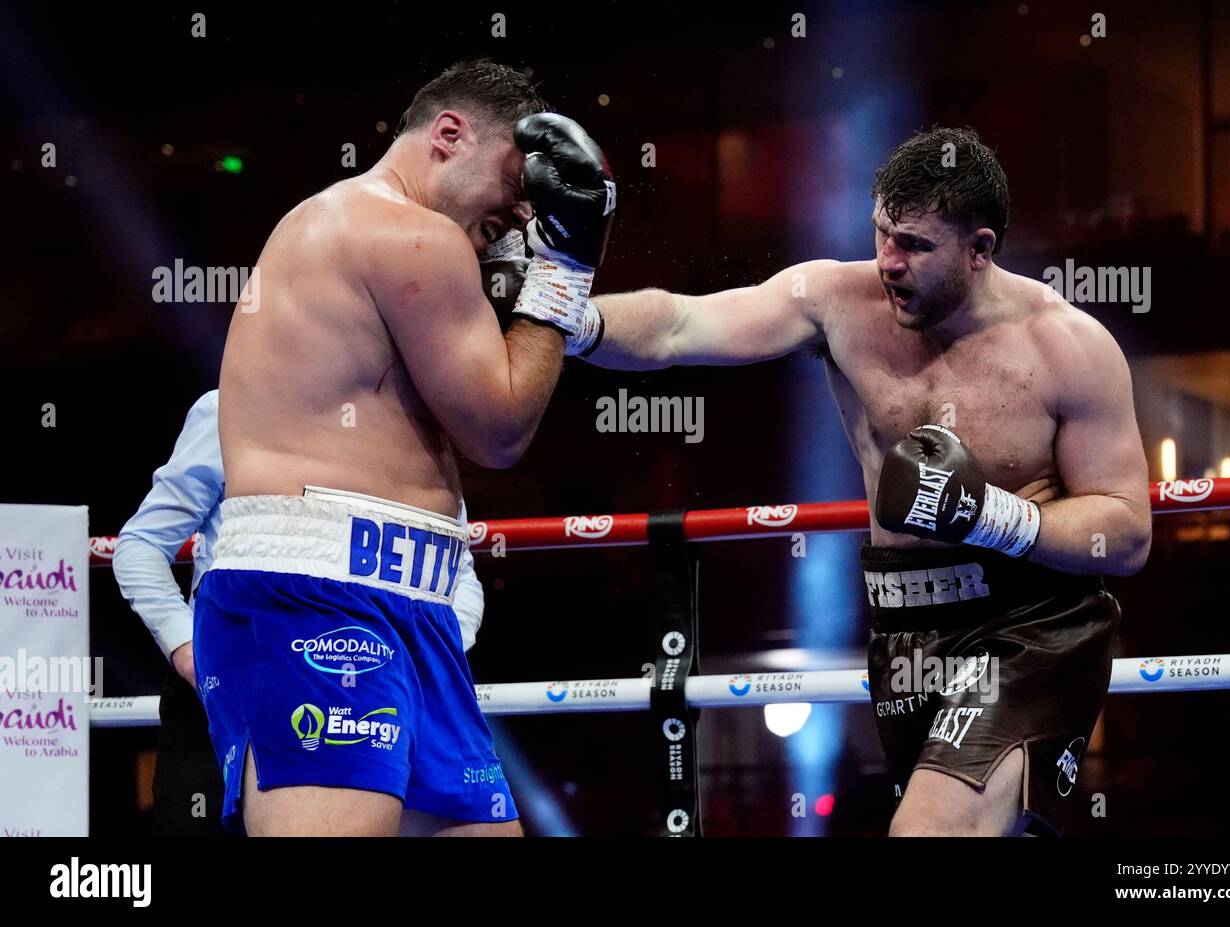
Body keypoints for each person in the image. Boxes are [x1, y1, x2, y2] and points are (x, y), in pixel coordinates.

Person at [577, 126, 1150, 836]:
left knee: (928, 830)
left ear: (979, 249)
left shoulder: (1070, 348)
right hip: (902, 629)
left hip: (1030, 627)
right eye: (880, 231)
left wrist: (987, 513)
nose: (887, 261)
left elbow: (1125, 533)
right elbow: (679, 325)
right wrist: (570, 316)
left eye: (913, 243)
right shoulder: (836, 303)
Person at [195, 58, 615, 836]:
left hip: (404, 598)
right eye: (512, 179)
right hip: (320, 592)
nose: (524, 210)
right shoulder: (407, 232)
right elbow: (500, 428)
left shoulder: (343, 224)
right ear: (448, 135)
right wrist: (563, 270)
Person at [113, 389, 487, 836]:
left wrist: (418, 662)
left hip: (375, 695)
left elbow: (457, 573)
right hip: (231, 681)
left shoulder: (419, 425)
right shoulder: (233, 409)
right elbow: (141, 545)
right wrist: (188, 648)